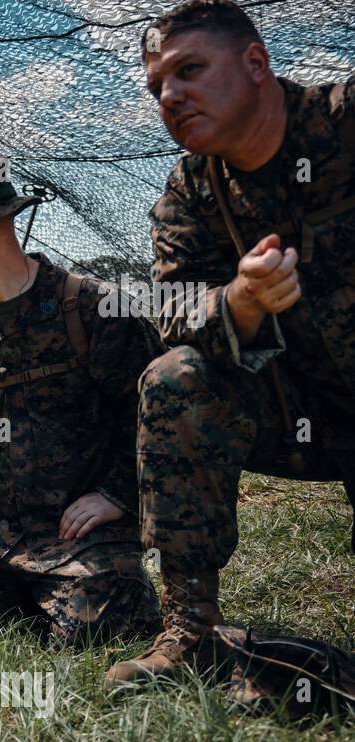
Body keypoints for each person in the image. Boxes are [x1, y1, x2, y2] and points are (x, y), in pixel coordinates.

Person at [105, 0, 355, 690]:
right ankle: (192, 630)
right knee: (174, 377)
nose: (171, 96)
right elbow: (177, 305)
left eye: (189, 70)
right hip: (298, 414)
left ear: (254, 63)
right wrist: (237, 303)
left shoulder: (342, 122)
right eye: (157, 86)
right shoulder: (189, 192)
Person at [0, 158, 163, 645]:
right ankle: (25, 600)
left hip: (77, 535)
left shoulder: (95, 309)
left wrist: (118, 495)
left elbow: (153, 417)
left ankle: (51, 599)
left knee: (103, 621)